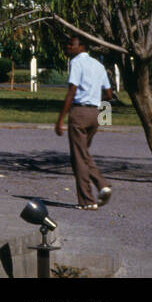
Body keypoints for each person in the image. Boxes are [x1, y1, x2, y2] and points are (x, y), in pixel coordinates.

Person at [54, 34, 115, 210]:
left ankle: (90, 197)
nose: (67, 47)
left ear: (82, 47)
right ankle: (96, 190)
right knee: (82, 154)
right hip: (95, 113)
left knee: (79, 157)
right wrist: (95, 99)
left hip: (79, 112)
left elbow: (71, 90)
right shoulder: (99, 65)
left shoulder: (76, 63)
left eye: (71, 45)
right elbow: (109, 95)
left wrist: (60, 120)